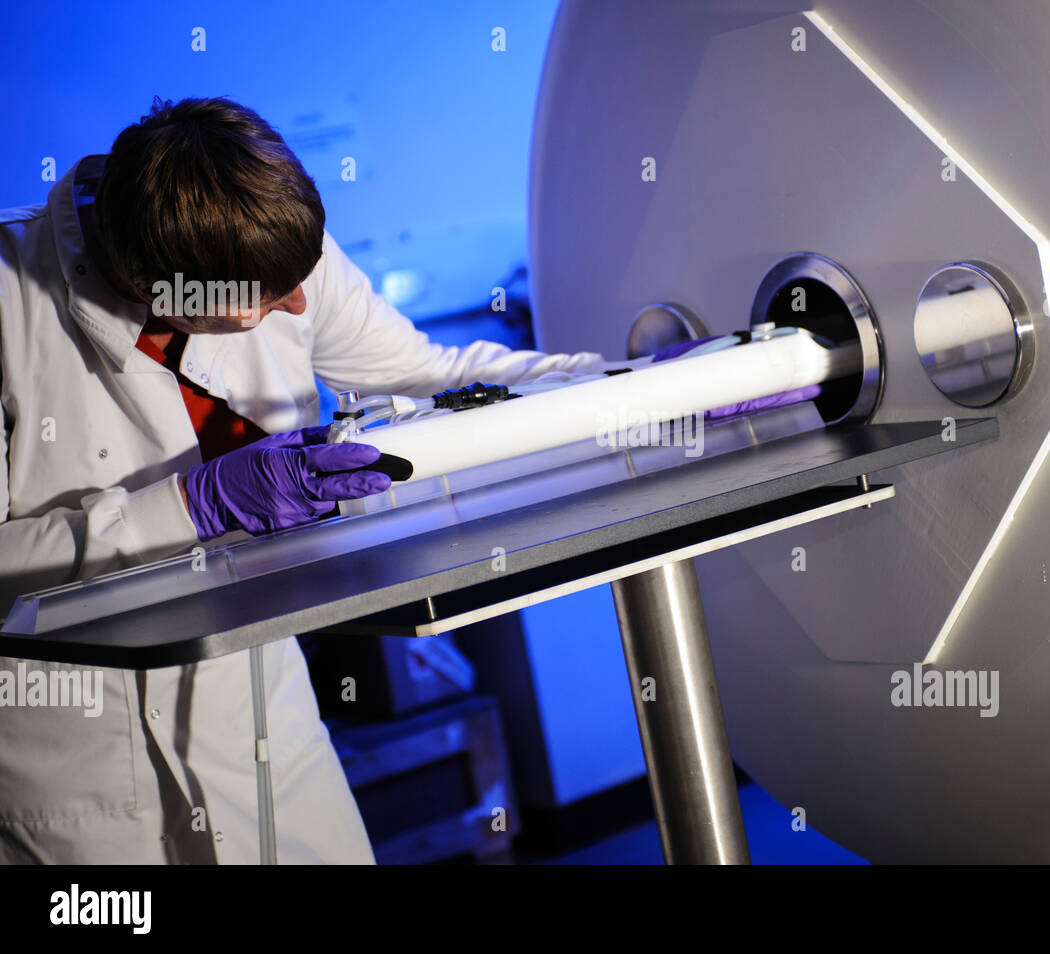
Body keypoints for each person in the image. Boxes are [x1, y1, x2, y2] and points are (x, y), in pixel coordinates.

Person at [0, 97, 620, 863]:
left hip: (263, 719)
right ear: (156, 288)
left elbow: (438, 376)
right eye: (268, 301)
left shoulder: (267, 246)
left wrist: (629, 382)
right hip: (76, 770)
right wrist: (197, 504)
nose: (299, 304)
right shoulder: (9, 306)